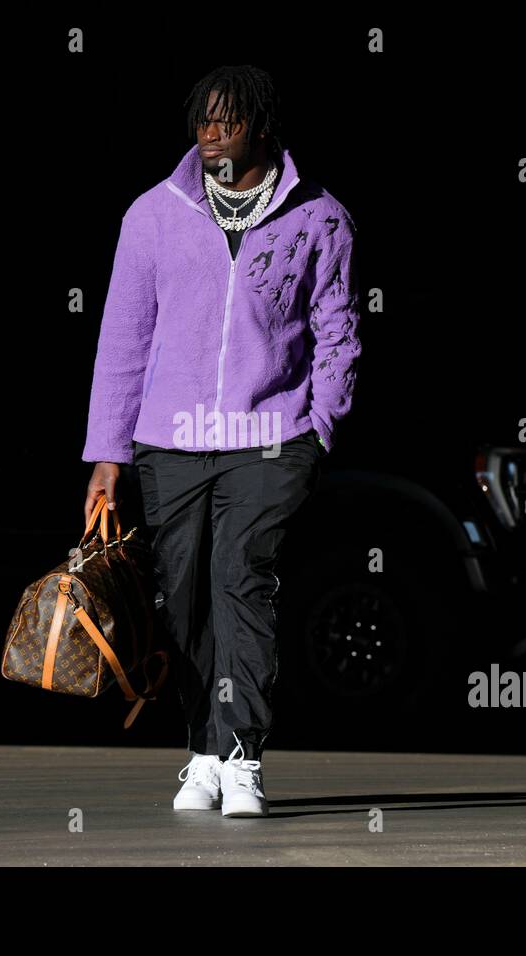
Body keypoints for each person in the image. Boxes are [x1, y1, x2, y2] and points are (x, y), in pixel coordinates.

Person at [81, 65, 361, 817]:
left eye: (226, 122)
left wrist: (320, 426)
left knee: (242, 577)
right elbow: (124, 340)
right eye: (201, 122)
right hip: (170, 442)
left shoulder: (319, 218)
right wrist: (107, 452)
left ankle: (242, 756)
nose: (210, 136)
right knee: (183, 601)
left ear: (261, 128)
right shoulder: (152, 216)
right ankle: (203, 748)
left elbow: (337, 331)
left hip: (271, 437)